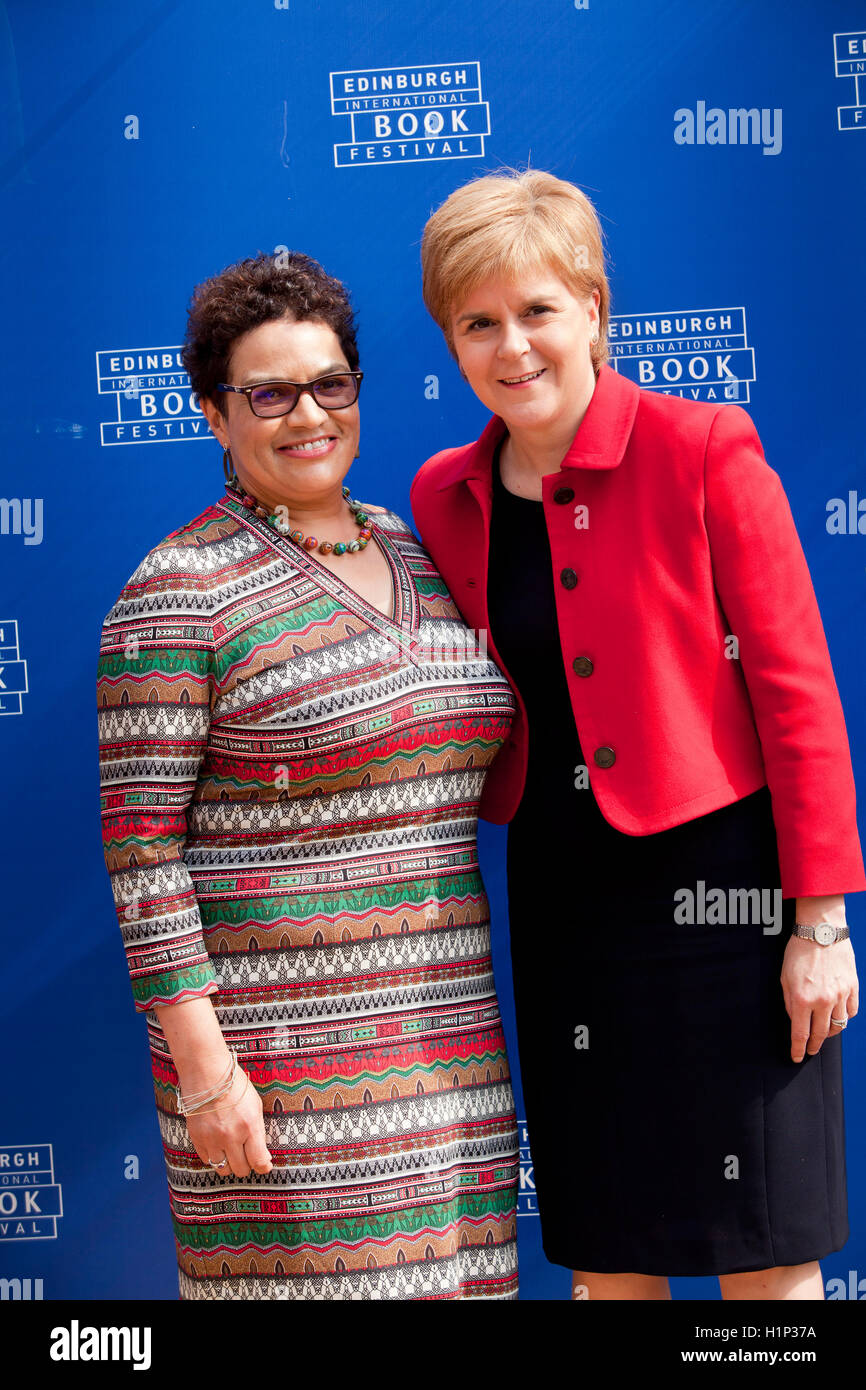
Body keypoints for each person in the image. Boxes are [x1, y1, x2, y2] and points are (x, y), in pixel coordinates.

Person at [410, 169, 864, 1301]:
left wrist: (819, 921)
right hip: (566, 902)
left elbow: (796, 692)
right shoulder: (443, 494)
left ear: (594, 309)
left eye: (536, 310)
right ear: (450, 341)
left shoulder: (702, 446)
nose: (510, 345)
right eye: (477, 323)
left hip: (729, 899)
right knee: (606, 1249)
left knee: (762, 1247)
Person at [97, 250, 519, 1300]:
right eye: (268, 394)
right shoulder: (178, 589)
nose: (306, 416)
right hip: (277, 1079)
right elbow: (142, 853)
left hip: (447, 1051)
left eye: (329, 384)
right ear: (213, 413)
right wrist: (206, 1077)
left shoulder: (414, 549)